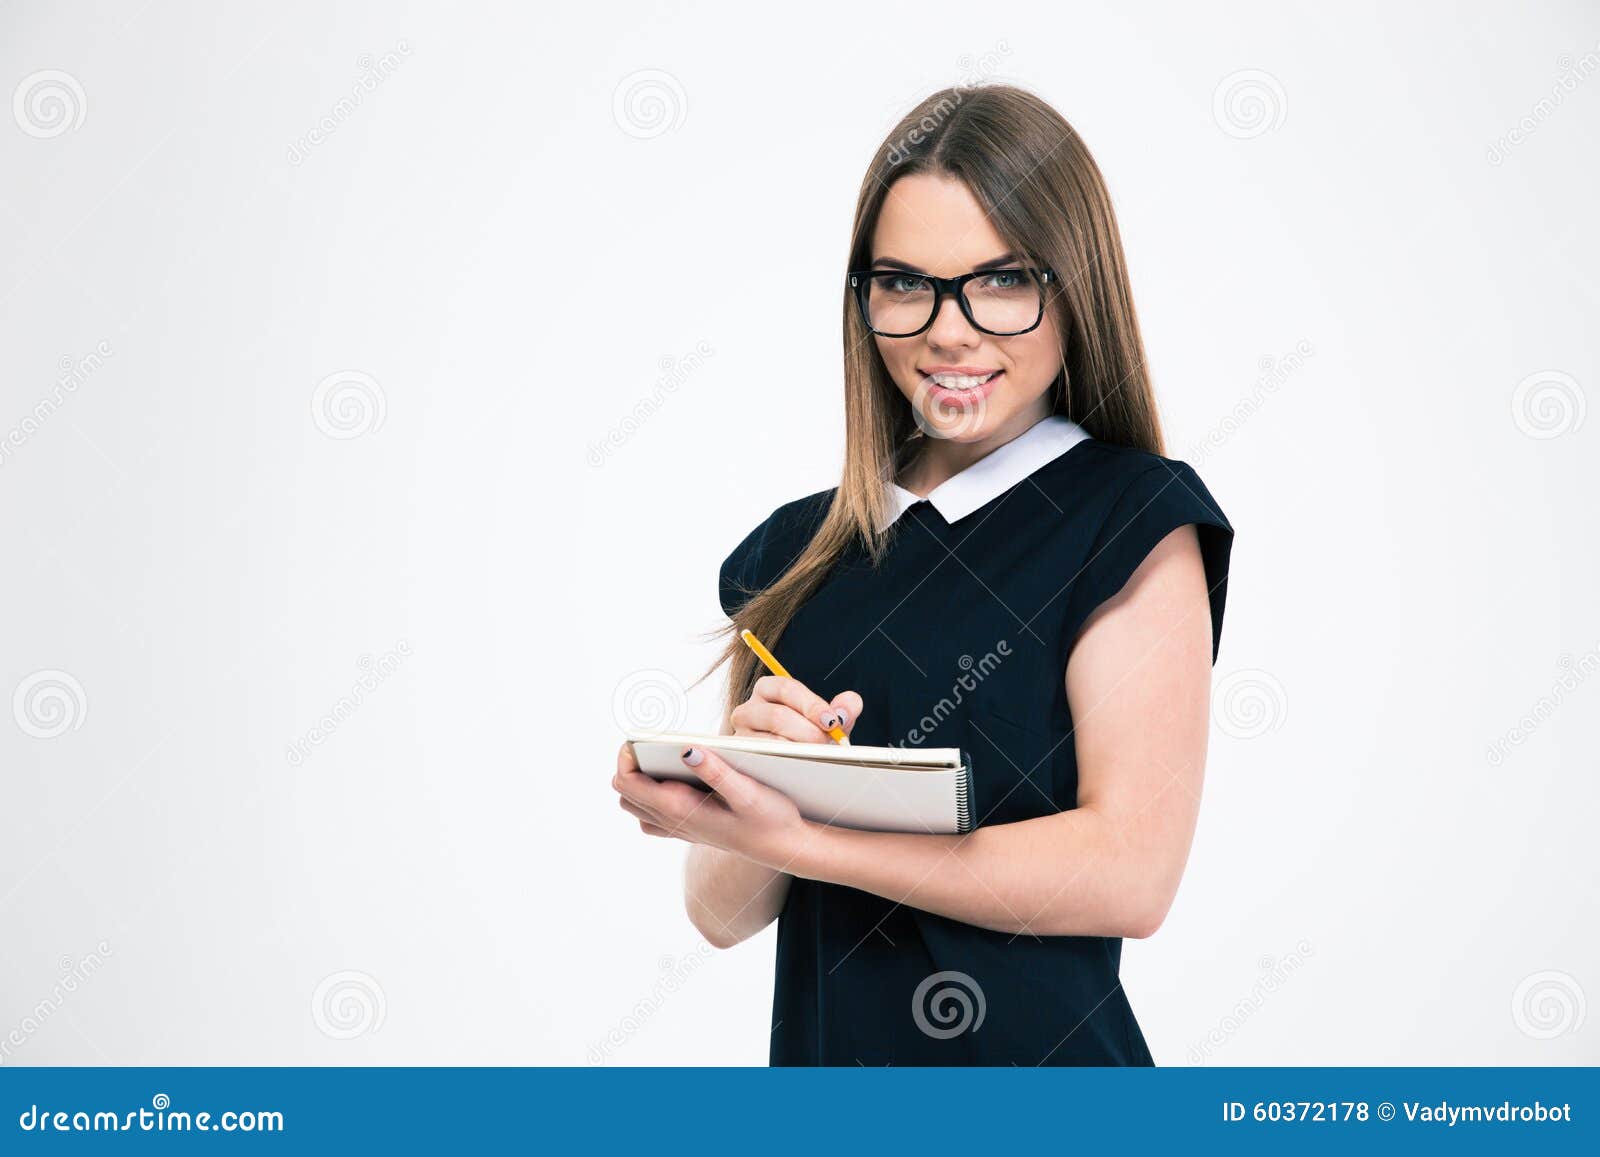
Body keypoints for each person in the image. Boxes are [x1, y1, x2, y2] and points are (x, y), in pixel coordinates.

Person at [611, 83, 1235, 1066]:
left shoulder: (1131, 517)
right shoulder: (797, 551)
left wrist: (803, 837)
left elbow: (1131, 872)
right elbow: (716, 912)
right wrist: (732, 785)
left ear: (1077, 286)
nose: (947, 330)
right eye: (903, 283)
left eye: (999, 281)